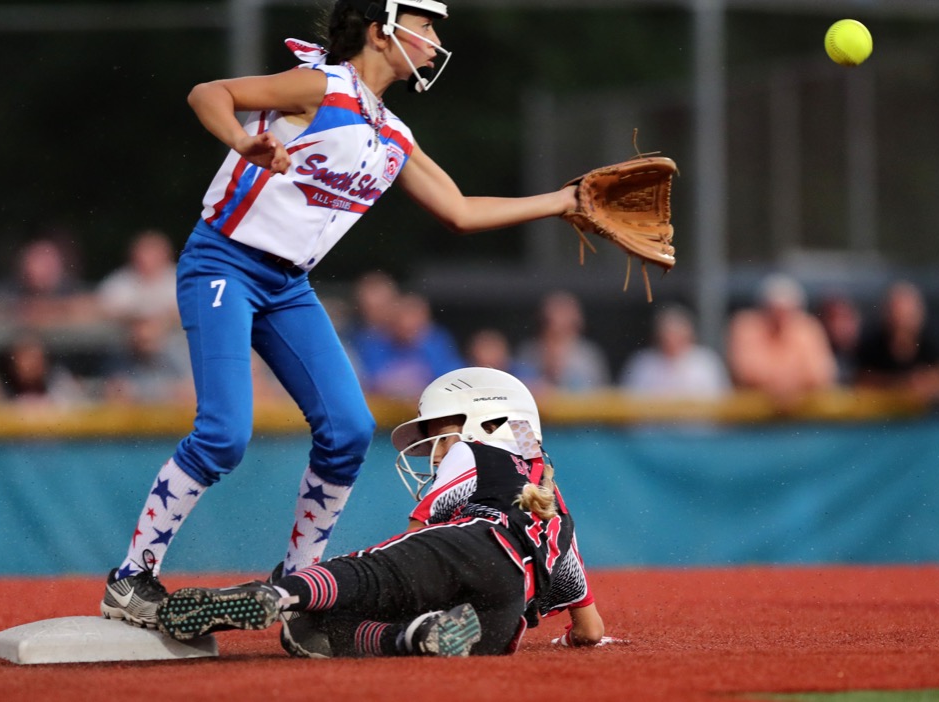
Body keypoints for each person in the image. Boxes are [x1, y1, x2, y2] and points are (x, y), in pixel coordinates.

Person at [99, 0, 585, 629]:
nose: (436, 39)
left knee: (350, 430)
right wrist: (245, 140)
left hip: (287, 286)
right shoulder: (321, 87)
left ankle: (300, 584)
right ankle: (131, 579)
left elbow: (460, 210)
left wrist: (563, 200)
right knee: (224, 433)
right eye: (426, 25)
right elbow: (207, 93)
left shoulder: (392, 131)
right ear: (384, 32)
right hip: (223, 261)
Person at [155, 368, 605, 658]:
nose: (434, 452)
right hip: (506, 611)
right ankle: (415, 636)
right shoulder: (555, 506)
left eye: (440, 436)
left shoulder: (472, 453)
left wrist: (347, 582)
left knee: (362, 576)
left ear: (485, 421)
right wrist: (565, 639)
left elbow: (413, 539)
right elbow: (589, 628)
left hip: (472, 542)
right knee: (344, 635)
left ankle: (276, 594)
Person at [726, 273, 836, 410]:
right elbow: (745, 372)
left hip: (801, 415)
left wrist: (779, 384)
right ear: (763, 308)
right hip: (753, 417)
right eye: (775, 310)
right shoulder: (746, 327)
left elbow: (821, 375)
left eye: (786, 310)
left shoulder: (807, 328)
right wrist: (792, 383)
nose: (780, 317)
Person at [854, 281, 939, 404]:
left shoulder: (932, 343)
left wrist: (925, 382)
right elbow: (861, 381)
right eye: (896, 313)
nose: (900, 320)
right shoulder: (871, 346)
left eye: (906, 315)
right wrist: (901, 383)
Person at [355, 292, 464, 398]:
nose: (407, 323)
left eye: (414, 317)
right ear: (391, 321)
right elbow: (367, 384)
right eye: (402, 317)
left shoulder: (437, 342)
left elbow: (452, 380)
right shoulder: (374, 344)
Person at [620, 304, 729, 400]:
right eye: (668, 334)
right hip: (653, 423)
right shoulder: (642, 363)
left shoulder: (706, 362)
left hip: (697, 423)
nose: (672, 339)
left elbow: (722, 401)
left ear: (689, 335)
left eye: (678, 334)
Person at [515, 291, 609, 396]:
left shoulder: (587, 354)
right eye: (556, 314)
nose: (560, 321)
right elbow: (520, 390)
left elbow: (600, 392)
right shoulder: (530, 351)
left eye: (566, 314)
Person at [97, 230, 179, 324]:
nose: (146, 259)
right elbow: (103, 308)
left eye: (152, 253)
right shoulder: (120, 280)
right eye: (143, 252)